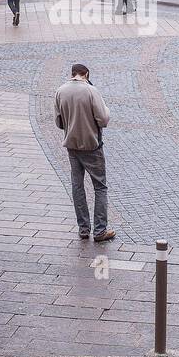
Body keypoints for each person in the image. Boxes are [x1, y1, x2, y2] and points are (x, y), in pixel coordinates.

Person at [54, 63, 114, 242]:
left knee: (77, 186)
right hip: (92, 146)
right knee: (100, 187)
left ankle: (83, 229)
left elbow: (59, 123)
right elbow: (103, 119)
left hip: (72, 145)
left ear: (72, 74)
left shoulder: (60, 91)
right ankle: (100, 230)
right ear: (86, 74)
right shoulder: (91, 91)